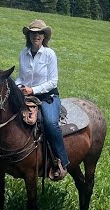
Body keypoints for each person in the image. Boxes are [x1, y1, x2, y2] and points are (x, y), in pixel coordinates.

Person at [16, 19, 70, 181]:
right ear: (29, 36)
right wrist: (17, 86)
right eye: (33, 33)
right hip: (27, 95)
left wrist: (33, 90)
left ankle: (61, 161)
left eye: (39, 33)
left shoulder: (49, 54)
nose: (36, 36)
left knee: (50, 123)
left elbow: (53, 81)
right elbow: (21, 77)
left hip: (48, 96)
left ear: (44, 36)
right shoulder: (23, 53)